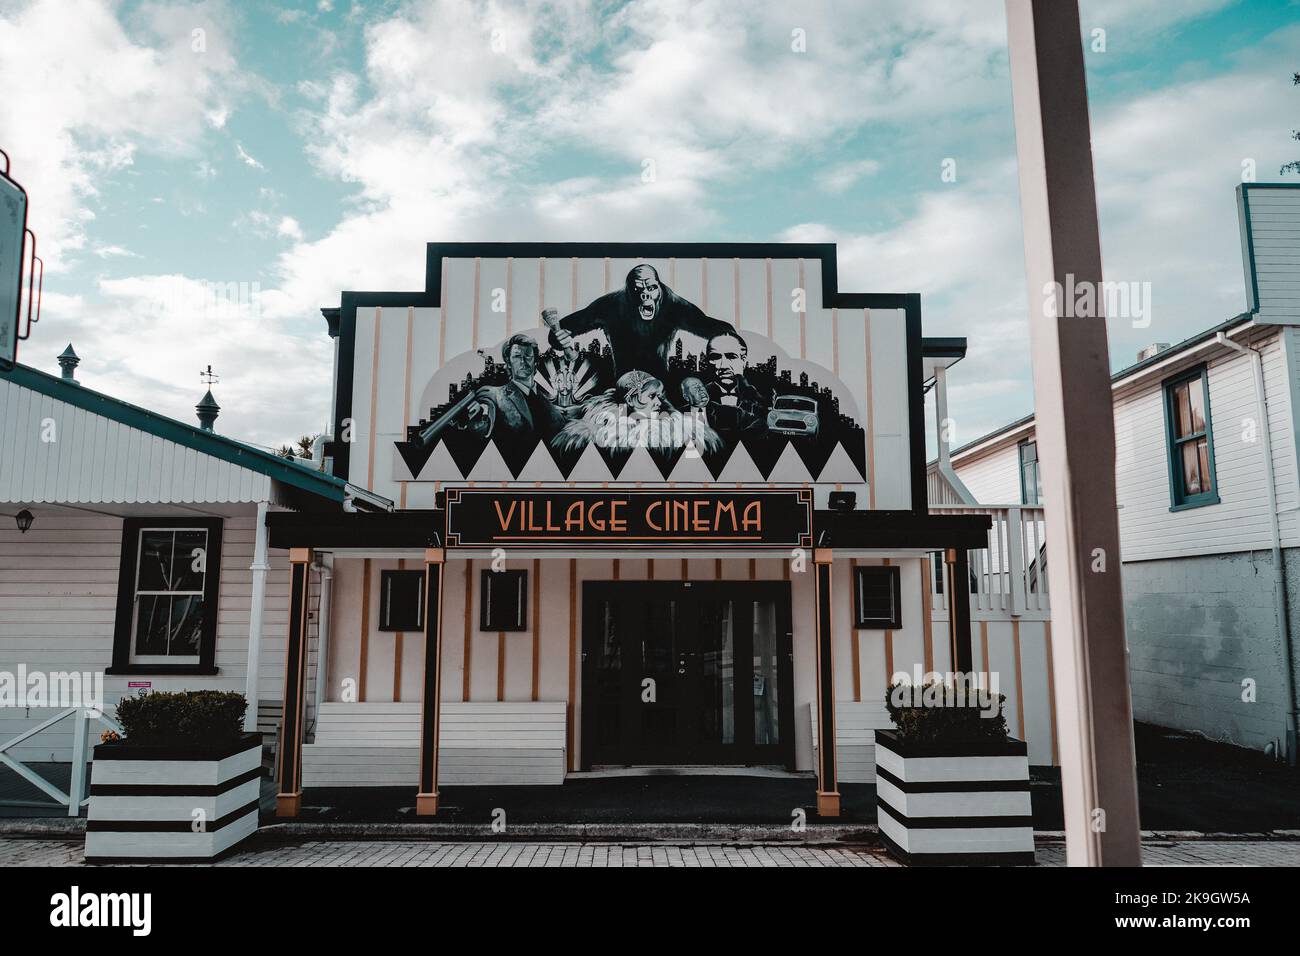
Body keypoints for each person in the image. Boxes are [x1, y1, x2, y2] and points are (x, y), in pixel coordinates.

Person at [548, 264, 737, 382]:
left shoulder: (673, 304)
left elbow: (708, 326)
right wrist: (559, 337)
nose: (645, 294)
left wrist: (729, 341)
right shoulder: (612, 304)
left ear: (659, 288)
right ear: (630, 293)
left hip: (658, 383)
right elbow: (565, 329)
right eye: (639, 290)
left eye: (651, 288)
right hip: (623, 381)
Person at [457, 333, 567, 444]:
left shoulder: (552, 406)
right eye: (517, 356)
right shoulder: (493, 394)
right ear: (508, 362)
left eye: (528, 356)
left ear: (535, 362)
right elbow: (483, 413)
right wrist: (481, 415)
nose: (523, 361)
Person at [701, 331, 769, 436]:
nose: (723, 366)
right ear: (707, 361)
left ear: (744, 361)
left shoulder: (759, 400)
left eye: (731, 357)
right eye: (715, 357)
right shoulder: (697, 400)